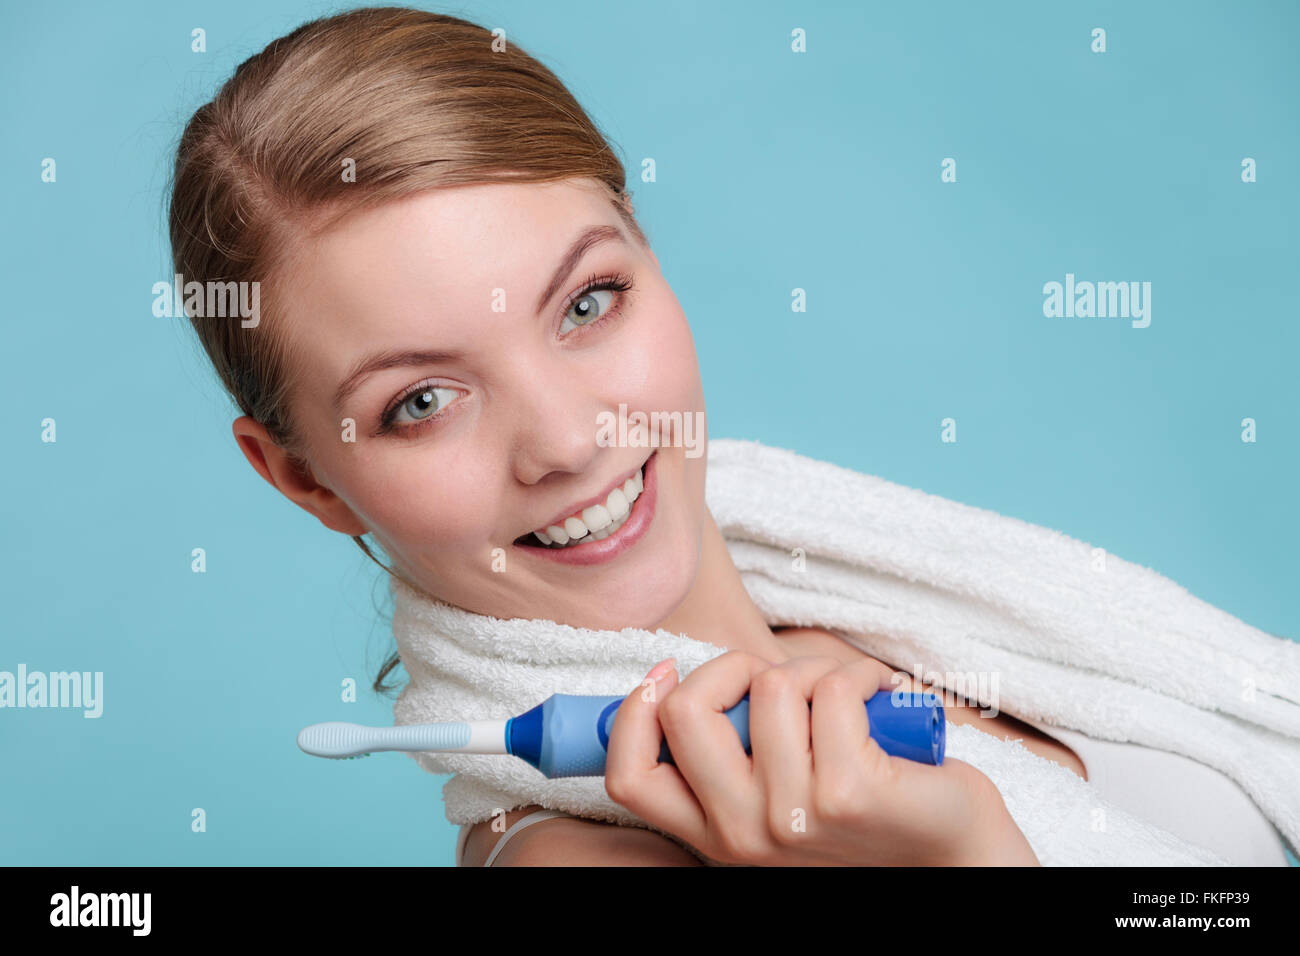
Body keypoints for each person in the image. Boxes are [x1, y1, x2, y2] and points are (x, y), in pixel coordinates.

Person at [170, 5, 1250, 867]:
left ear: (643, 245)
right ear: (302, 478)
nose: (564, 438)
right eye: (421, 400)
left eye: (587, 303)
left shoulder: (857, 576)